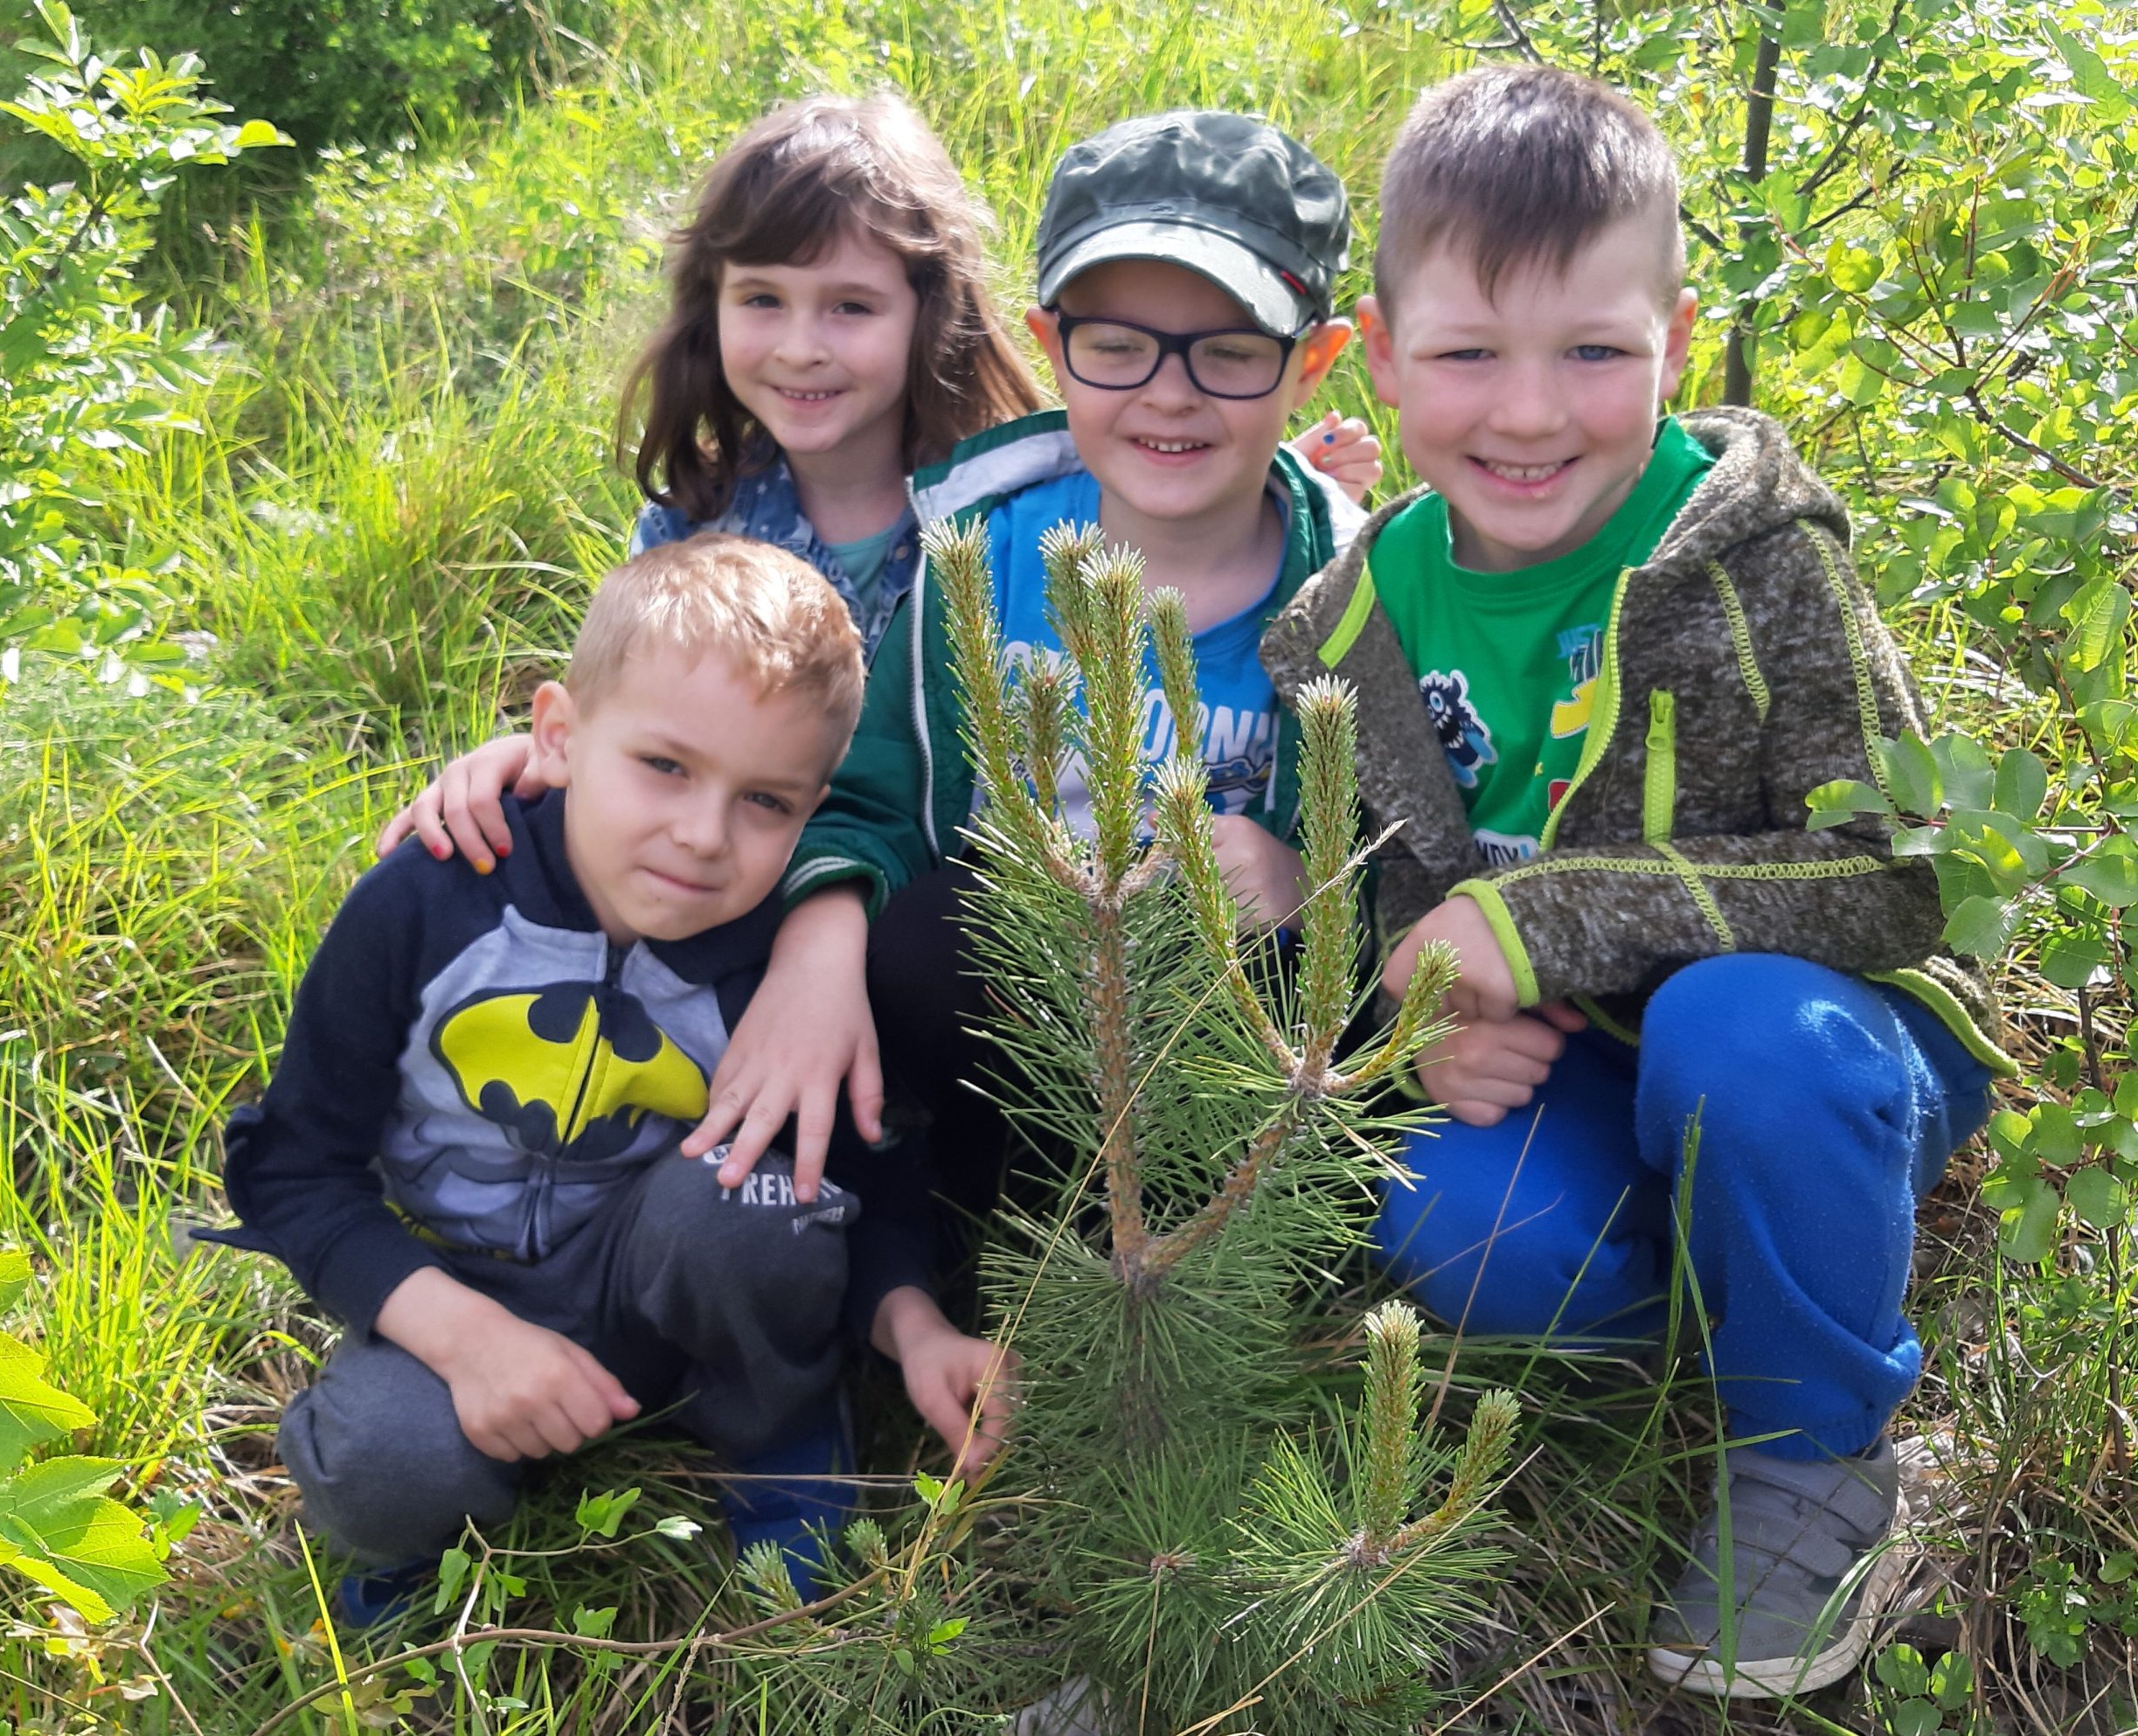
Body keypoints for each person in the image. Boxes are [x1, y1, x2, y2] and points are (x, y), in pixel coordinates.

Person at [1256, 66, 2010, 1700]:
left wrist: (1538, 919)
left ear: (1674, 335)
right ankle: (1755, 1290)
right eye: (1469, 355)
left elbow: (1902, 878)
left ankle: (1813, 1444)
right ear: (1380, 356)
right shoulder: (1348, 620)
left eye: (1594, 352)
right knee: (1459, 1231)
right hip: (1585, 1070)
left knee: (1743, 1039)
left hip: (1817, 1036)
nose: (1530, 415)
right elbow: (1377, 886)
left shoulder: (1757, 558)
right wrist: (1420, 1007)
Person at [209, 537, 1005, 1623]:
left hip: (665, 1275)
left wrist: (913, 1326)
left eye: (765, 801)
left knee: (744, 1207)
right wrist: (464, 1338)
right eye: (664, 767)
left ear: (812, 809)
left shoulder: (789, 966)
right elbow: (293, 1169)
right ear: (558, 735)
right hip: (453, 1290)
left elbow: (865, 1171)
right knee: (381, 1467)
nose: (703, 836)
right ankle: (434, 1518)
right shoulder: (423, 901)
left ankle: (775, 1431)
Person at [381, 91, 1385, 875]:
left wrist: (1297, 472)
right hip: (727, 866)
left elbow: (1175, 463)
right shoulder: (698, 521)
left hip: (919, 896)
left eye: (850, 307)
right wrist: (533, 757)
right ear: (709, 308)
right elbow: (627, 722)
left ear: (930, 315)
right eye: (762, 299)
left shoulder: (992, 511)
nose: (801, 347)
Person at [688, 108, 1372, 1251]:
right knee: (916, 932)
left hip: (1231, 1051)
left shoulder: (1357, 592)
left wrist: (1304, 880)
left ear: (1312, 361)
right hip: (1002, 1018)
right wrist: (819, 939)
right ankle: (974, 1224)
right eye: (1116, 344)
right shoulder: (986, 553)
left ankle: (1198, 1252)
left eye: (1230, 350)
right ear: (1050, 343)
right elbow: (874, 796)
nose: (1169, 393)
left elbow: (1411, 855)